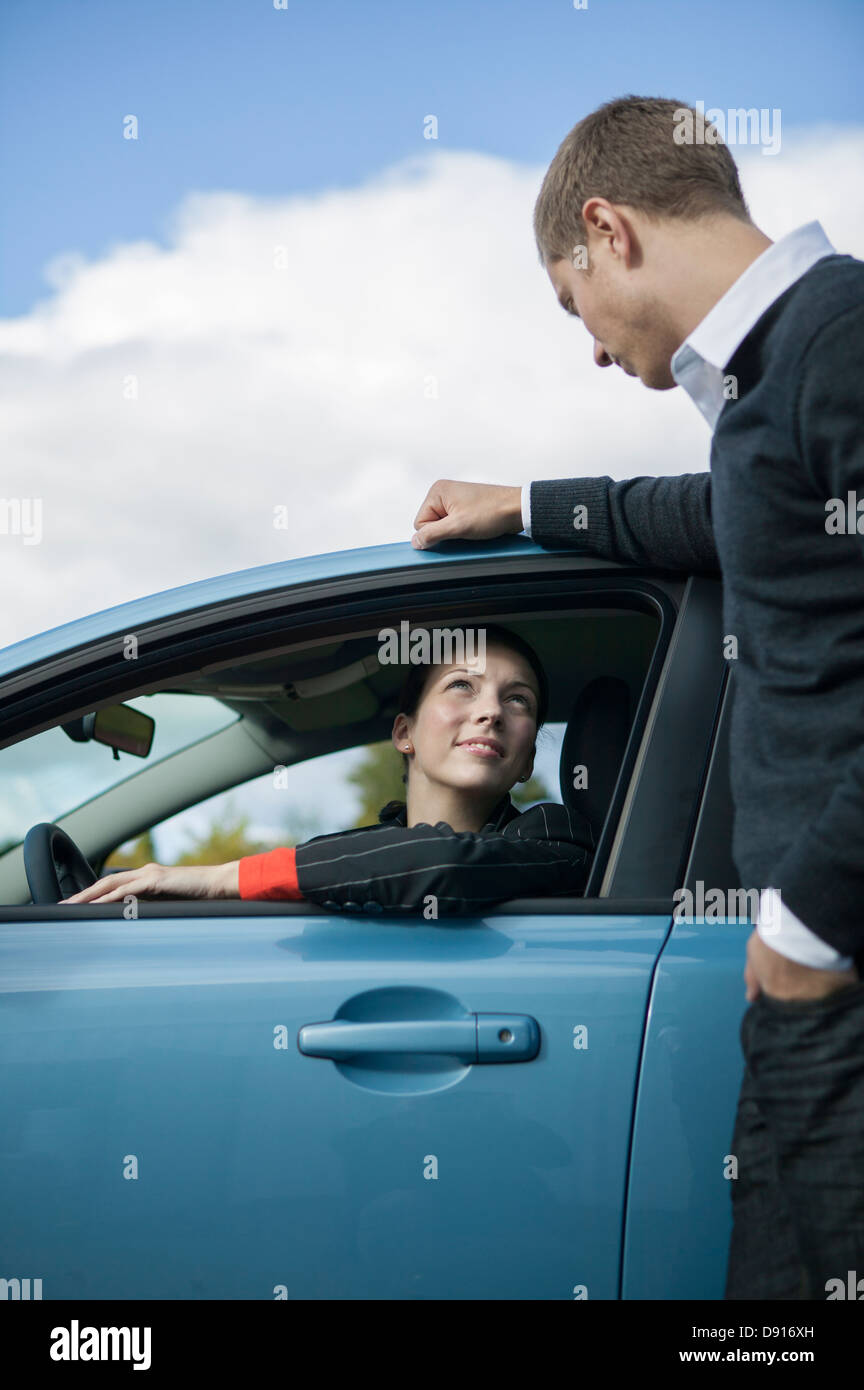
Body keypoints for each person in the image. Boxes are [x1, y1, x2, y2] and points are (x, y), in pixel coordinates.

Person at [410, 95, 864, 1300]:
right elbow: (715, 518)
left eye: (573, 304)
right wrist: (528, 505)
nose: (594, 348)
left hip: (836, 967)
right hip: (810, 992)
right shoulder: (775, 384)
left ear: (606, 228)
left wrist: (808, 930)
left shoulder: (842, 335)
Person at [60, 625, 593, 913]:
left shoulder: (555, 838)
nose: (491, 711)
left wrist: (218, 879)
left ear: (527, 760)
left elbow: (442, 861)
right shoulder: (359, 853)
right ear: (403, 732)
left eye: (518, 700)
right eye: (462, 685)